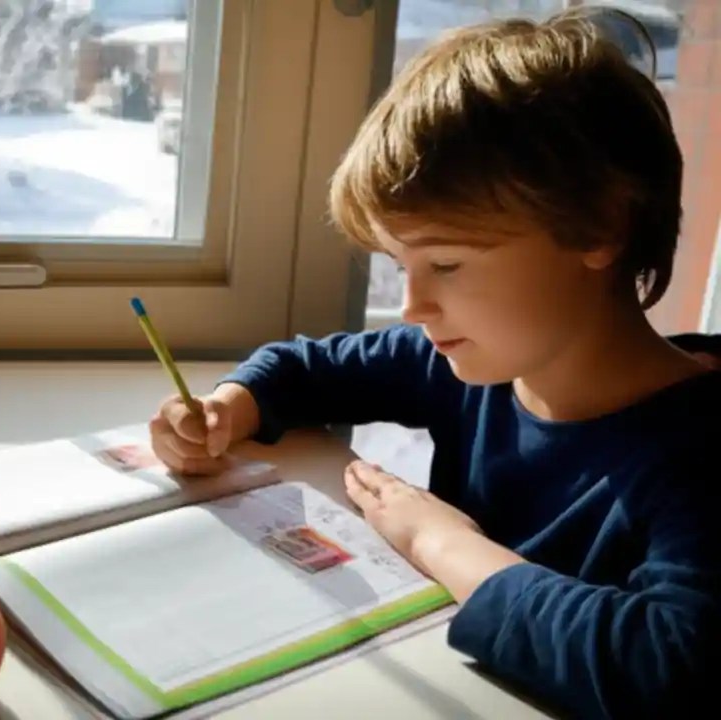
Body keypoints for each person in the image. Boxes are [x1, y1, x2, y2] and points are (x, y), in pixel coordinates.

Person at [149, 9, 720, 719]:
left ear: (599, 227)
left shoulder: (702, 454)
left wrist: (439, 542)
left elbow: (668, 669)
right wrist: (226, 407)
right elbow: (301, 368)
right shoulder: (472, 361)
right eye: (400, 264)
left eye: (446, 263)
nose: (414, 305)